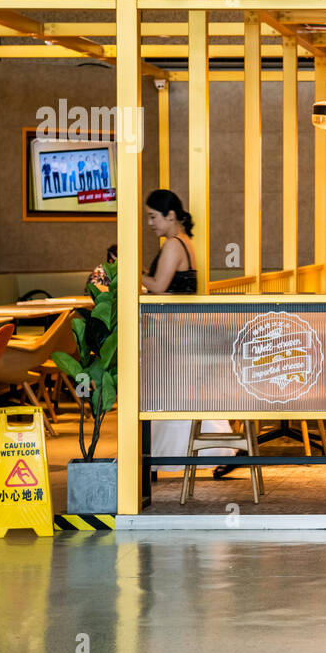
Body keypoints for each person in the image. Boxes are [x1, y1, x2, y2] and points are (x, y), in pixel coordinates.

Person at [142, 190, 235, 473]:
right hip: (184, 333)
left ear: (170, 216)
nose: (150, 223)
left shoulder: (173, 244)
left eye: (153, 216)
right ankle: (216, 451)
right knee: (185, 395)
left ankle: (214, 452)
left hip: (176, 334)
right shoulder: (186, 243)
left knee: (178, 395)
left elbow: (159, 286)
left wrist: (128, 270)